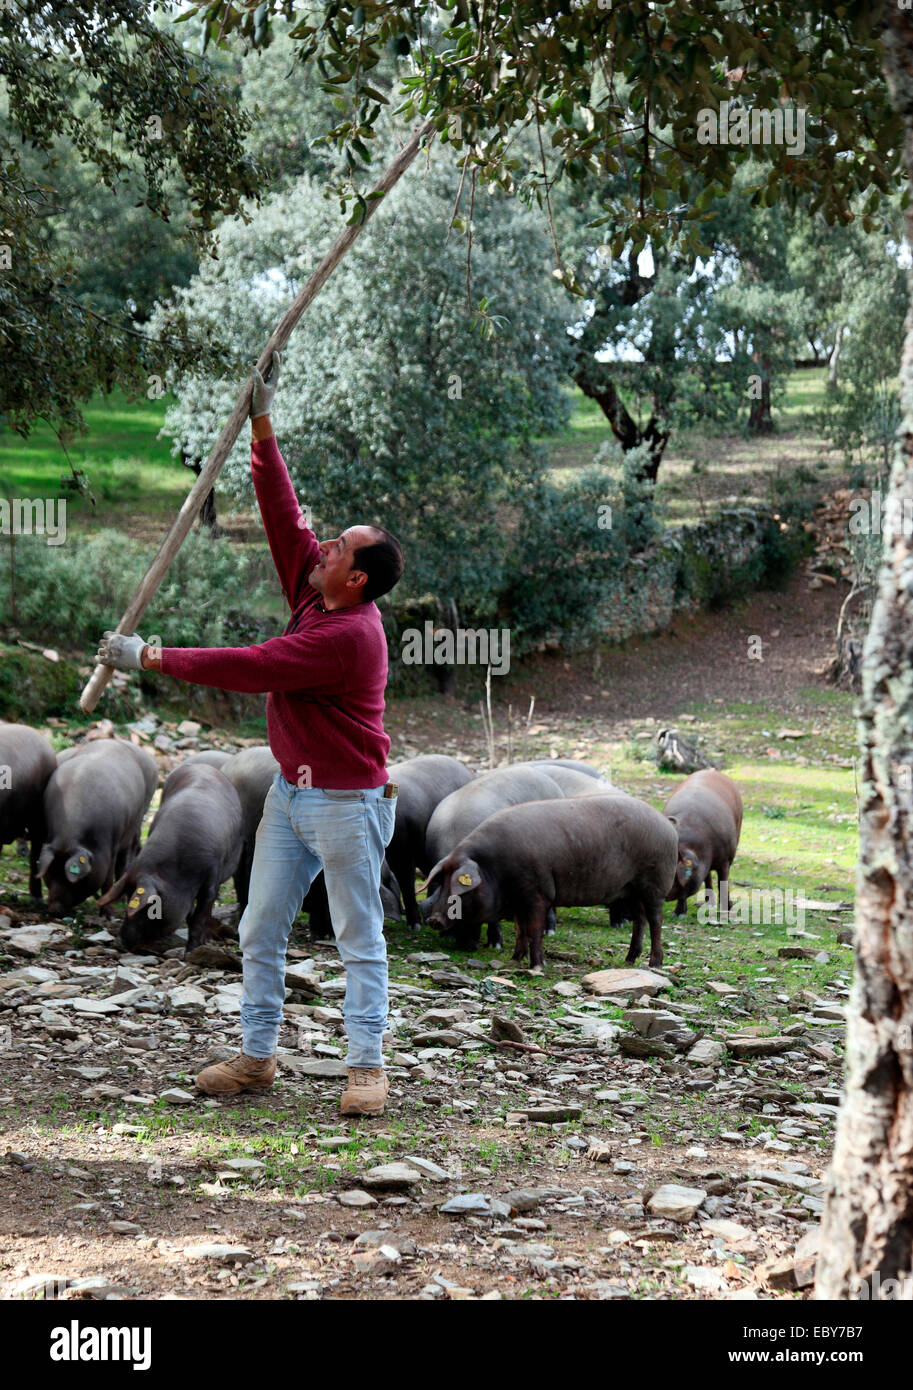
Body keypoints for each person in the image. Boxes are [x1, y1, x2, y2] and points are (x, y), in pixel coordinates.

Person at [96, 352, 404, 1116]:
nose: (323, 547)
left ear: (357, 579)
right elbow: (283, 516)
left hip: (347, 805)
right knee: (260, 926)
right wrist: (262, 423)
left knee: (358, 936)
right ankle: (258, 1057)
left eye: (339, 548)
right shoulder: (317, 590)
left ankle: (366, 1069)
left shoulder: (348, 637)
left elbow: (253, 665)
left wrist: (151, 656)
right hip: (291, 799)